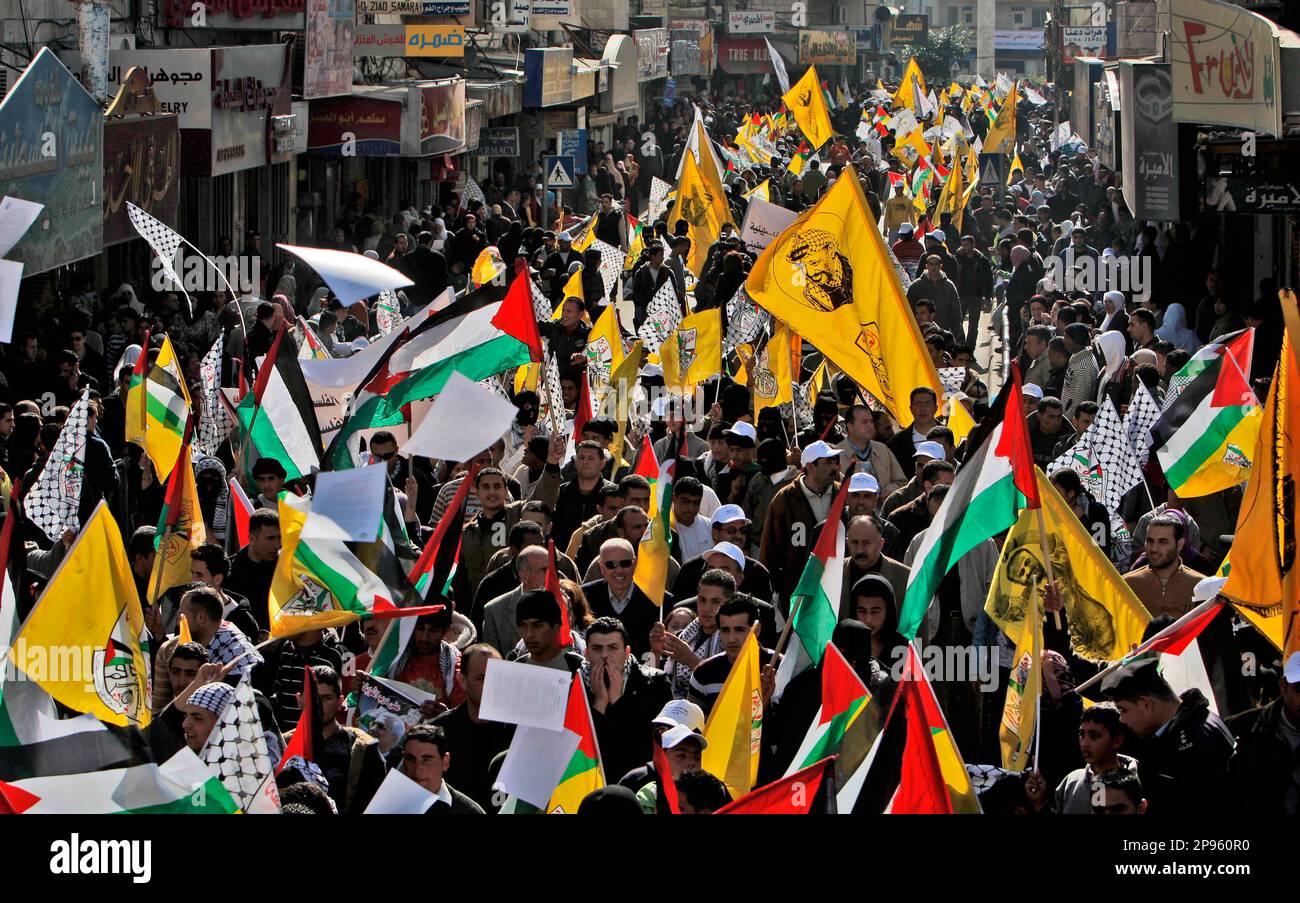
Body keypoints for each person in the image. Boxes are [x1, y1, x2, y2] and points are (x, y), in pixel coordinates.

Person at [1101, 658, 1235, 815]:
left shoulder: (1192, 741)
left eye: (1123, 710)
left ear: (1146, 705)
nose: (1122, 720)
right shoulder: (1190, 726)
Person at [285, 666, 387, 815]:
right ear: (299, 700)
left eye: (326, 698)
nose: (318, 705)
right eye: (312, 697)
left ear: (340, 702)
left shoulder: (363, 751)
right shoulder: (282, 746)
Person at [584, 616, 673, 785]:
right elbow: (582, 751)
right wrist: (600, 703)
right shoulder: (576, 685)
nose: (604, 655)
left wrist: (619, 703)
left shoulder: (655, 684)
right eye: (597, 648)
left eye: (612, 648)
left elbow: (649, 746)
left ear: (627, 653)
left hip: (639, 784)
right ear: (586, 654)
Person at [431, 645, 516, 812]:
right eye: (482, 678)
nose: (492, 684)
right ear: (462, 680)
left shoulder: (519, 732)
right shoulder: (439, 732)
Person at [760, 441, 841, 608]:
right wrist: (772, 589)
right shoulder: (784, 499)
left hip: (835, 583)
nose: (835, 467)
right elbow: (770, 549)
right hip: (797, 589)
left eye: (836, 461)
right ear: (810, 467)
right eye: (828, 462)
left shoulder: (842, 494)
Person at [582, 538, 668, 660]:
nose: (619, 571)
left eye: (625, 563)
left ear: (635, 563)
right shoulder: (584, 597)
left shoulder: (659, 600)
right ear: (601, 567)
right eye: (610, 565)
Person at [687, 597, 772, 715]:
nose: (731, 639)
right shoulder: (704, 673)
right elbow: (694, 725)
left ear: (756, 630)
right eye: (725, 630)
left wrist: (765, 703)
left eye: (739, 630)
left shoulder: (778, 666)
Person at [1053, 705, 1138, 814]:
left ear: (1116, 741)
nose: (1084, 743)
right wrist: (1040, 805)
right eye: (1082, 734)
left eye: (1094, 736)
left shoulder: (1138, 783)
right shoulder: (1071, 782)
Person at [1121, 515, 1205, 618]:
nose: (1154, 548)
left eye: (1162, 542)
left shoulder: (1200, 586)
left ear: (1179, 544)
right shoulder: (1127, 585)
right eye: (1150, 541)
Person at [399, 724, 486, 814]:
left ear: (445, 762)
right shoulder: (386, 800)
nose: (417, 770)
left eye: (426, 760)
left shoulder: (470, 812)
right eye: (410, 759)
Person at [480, 545, 550, 654]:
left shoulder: (564, 602)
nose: (550, 575)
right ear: (524, 575)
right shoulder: (494, 611)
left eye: (552, 569)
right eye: (543, 570)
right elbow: (491, 660)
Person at [223, 508, 281, 631]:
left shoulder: (285, 567)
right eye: (270, 538)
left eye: (279, 538)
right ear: (252, 539)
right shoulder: (230, 570)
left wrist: (280, 634)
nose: (277, 544)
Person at [834, 404, 908, 499]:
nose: (870, 426)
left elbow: (902, 481)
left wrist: (890, 489)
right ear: (850, 426)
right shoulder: (836, 455)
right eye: (864, 422)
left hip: (883, 510)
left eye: (871, 422)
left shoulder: (883, 449)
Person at [633, 725, 709, 813]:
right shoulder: (650, 796)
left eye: (697, 757)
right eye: (682, 755)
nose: (691, 763)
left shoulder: (711, 793)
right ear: (663, 758)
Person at [515, 588, 585, 672]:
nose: (529, 634)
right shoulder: (514, 670)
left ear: (556, 627)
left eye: (537, 626)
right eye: (523, 625)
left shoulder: (581, 669)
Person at [886, 387, 941, 470]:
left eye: (928, 403)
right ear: (911, 409)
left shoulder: (951, 436)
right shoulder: (896, 443)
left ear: (936, 408)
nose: (923, 408)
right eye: (918, 404)